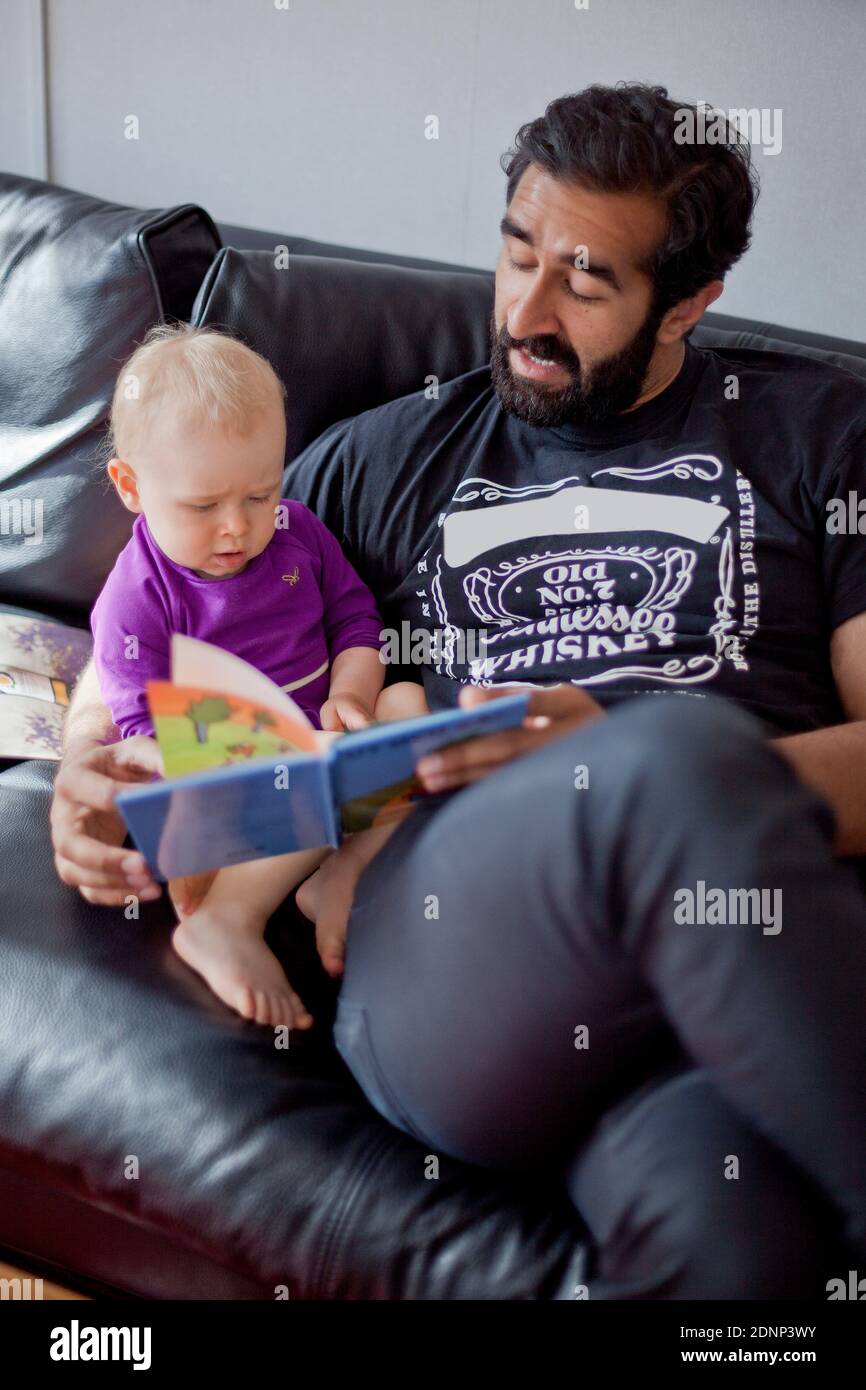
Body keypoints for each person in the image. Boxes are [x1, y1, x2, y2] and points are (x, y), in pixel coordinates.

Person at [52, 83, 866, 1297]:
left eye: (584, 283)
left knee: (735, 1244)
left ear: (689, 299)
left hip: (733, 980)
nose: (525, 314)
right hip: (466, 963)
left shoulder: (819, 435)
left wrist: (629, 768)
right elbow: (154, 622)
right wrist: (83, 778)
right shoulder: (383, 459)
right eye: (515, 256)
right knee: (667, 755)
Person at [87, 323, 427, 1028]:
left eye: (258, 494)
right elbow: (142, 734)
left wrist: (351, 694)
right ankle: (227, 919)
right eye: (204, 506)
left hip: (327, 755)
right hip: (225, 789)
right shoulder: (136, 597)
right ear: (130, 486)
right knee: (322, 767)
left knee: (408, 701)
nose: (238, 528)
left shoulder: (298, 532)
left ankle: (338, 873)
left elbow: (358, 622)